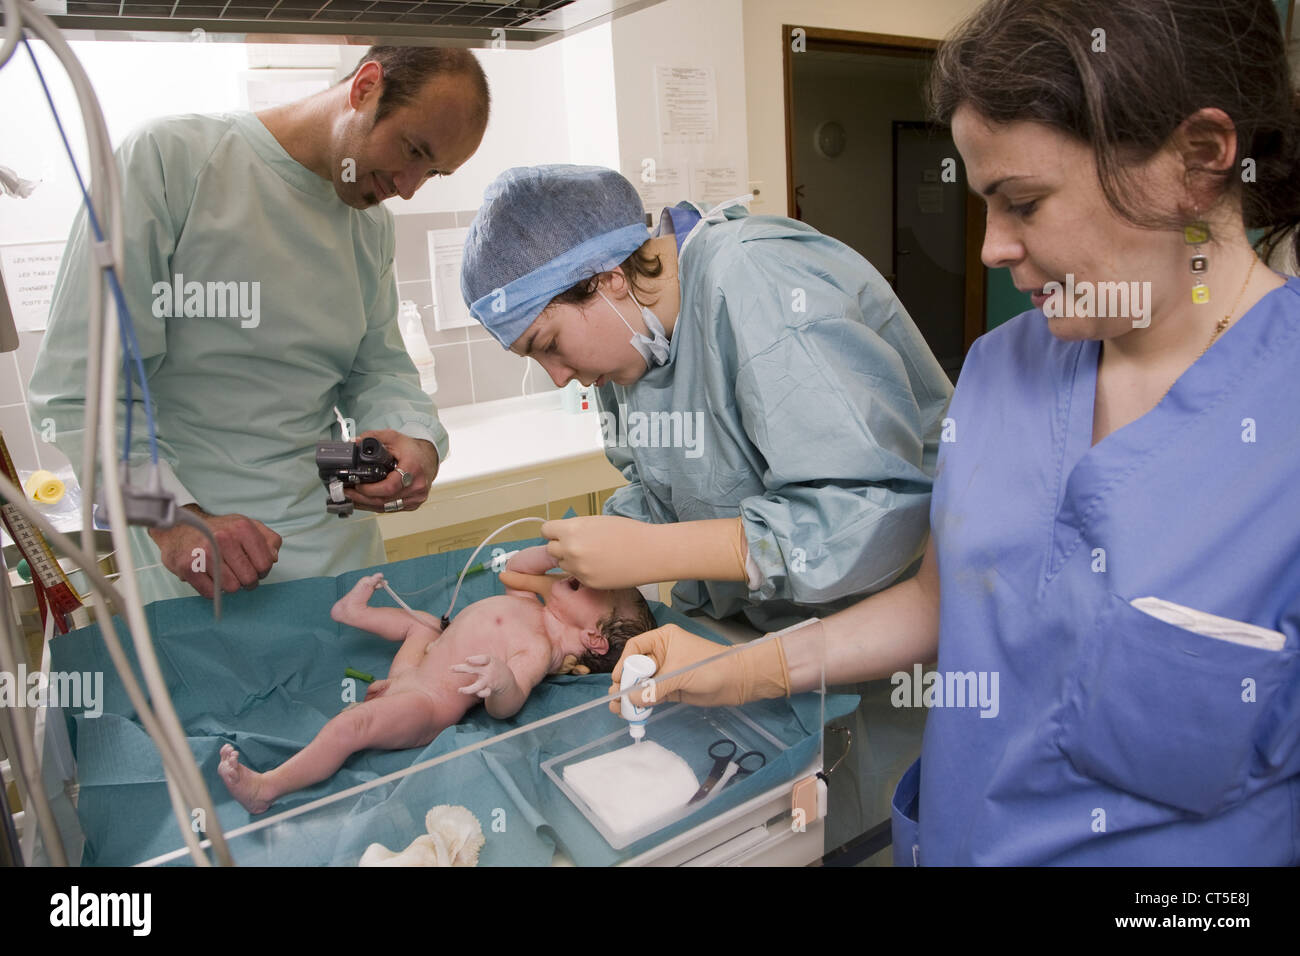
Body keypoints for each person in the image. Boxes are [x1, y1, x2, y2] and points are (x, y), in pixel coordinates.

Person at [607, 0, 1300, 866]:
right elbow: (942, 602)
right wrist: (748, 669)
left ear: (1198, 162)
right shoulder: (1000, 368)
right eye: (983, 204)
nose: (991, 249)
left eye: (1025, 203)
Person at [459, 166, 953, 845]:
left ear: (607, 280)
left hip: (881, 651)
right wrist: (616, 541)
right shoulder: (630, 347)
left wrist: (658, 551)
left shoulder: (758, 281)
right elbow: (667, 485)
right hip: (764, 648)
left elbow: (870, 516)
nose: (561, 377)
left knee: (872, 830)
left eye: (549, 345)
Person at [28, 47, 489, 604]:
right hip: (194, 556)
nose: (408, 185)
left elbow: (379, 369)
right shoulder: (170, 162)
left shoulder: (370, 229)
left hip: (337, 554)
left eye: (432, 172)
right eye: (412, 150)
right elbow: (78, 393)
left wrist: (417, 442)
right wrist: (174, 520)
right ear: (365, 86)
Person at [217, 546, 655, 813]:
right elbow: (521, 565)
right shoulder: (531, 605)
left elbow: (509, 703)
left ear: (595, 639)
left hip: (426, 703)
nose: (586, 577)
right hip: (414, 670)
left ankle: (267, 787)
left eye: (601, 586)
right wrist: (558, 552)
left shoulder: (540, 647)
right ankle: (352, 614)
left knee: (353, 726)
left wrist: (500, 681)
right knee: (424, 624)